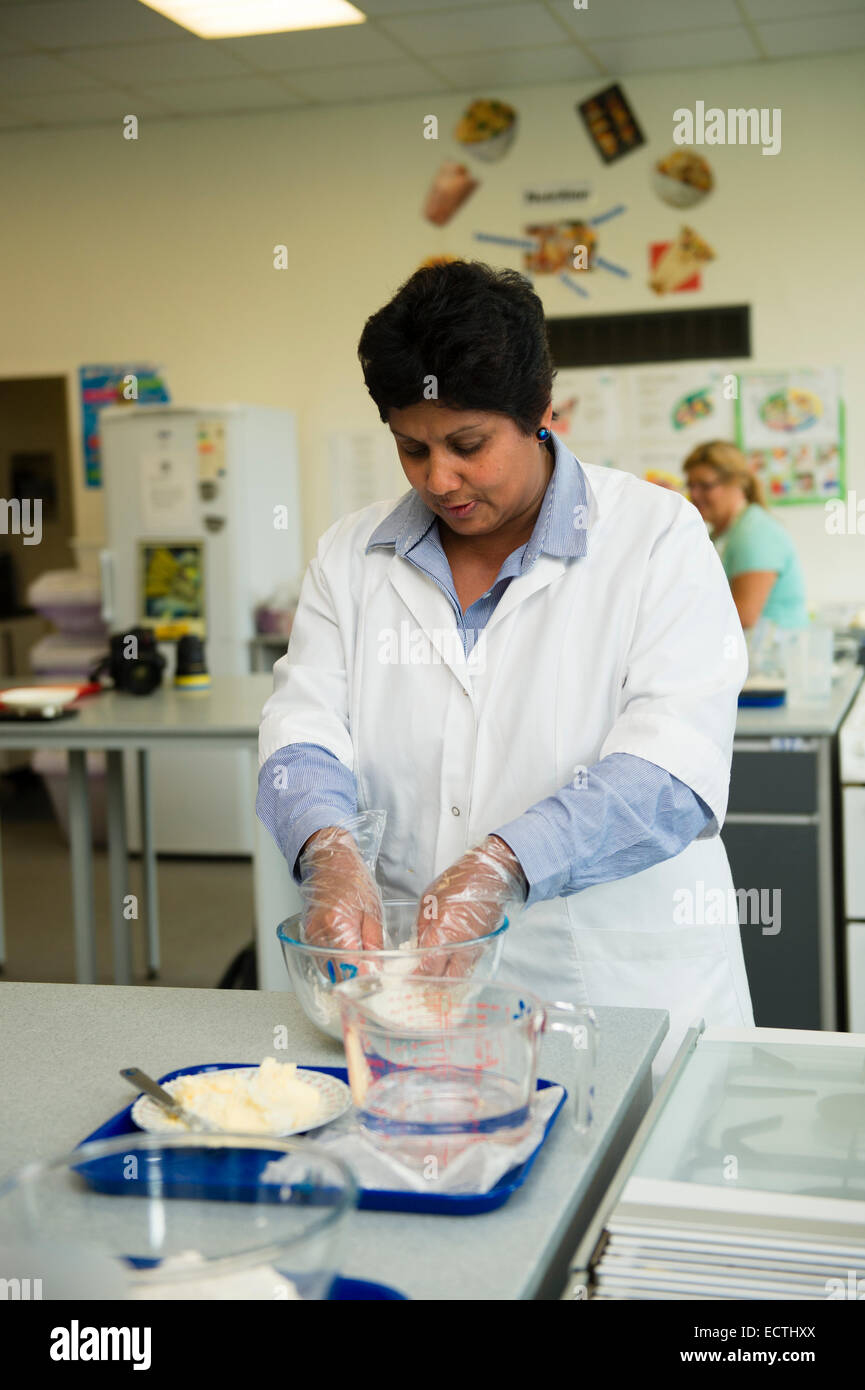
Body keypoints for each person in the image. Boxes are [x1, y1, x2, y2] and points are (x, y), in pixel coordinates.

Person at [257, 261, 754, 1082]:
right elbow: (301, 726)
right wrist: (328, 853)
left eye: (466, 445)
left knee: (617, 1198)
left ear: (539, 412)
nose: (437, 480)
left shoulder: (657, 536)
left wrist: (500, 867)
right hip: (411, 1001)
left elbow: (673, 769)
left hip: (615, 993)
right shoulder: (350, 555)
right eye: (410, 448)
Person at [683, 440, 808, 630]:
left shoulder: (755, 532)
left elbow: (744, 615)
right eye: (691, 486)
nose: (694, 494)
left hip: (773, 653)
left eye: (705, 486)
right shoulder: (721, 534)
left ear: (736, 483)